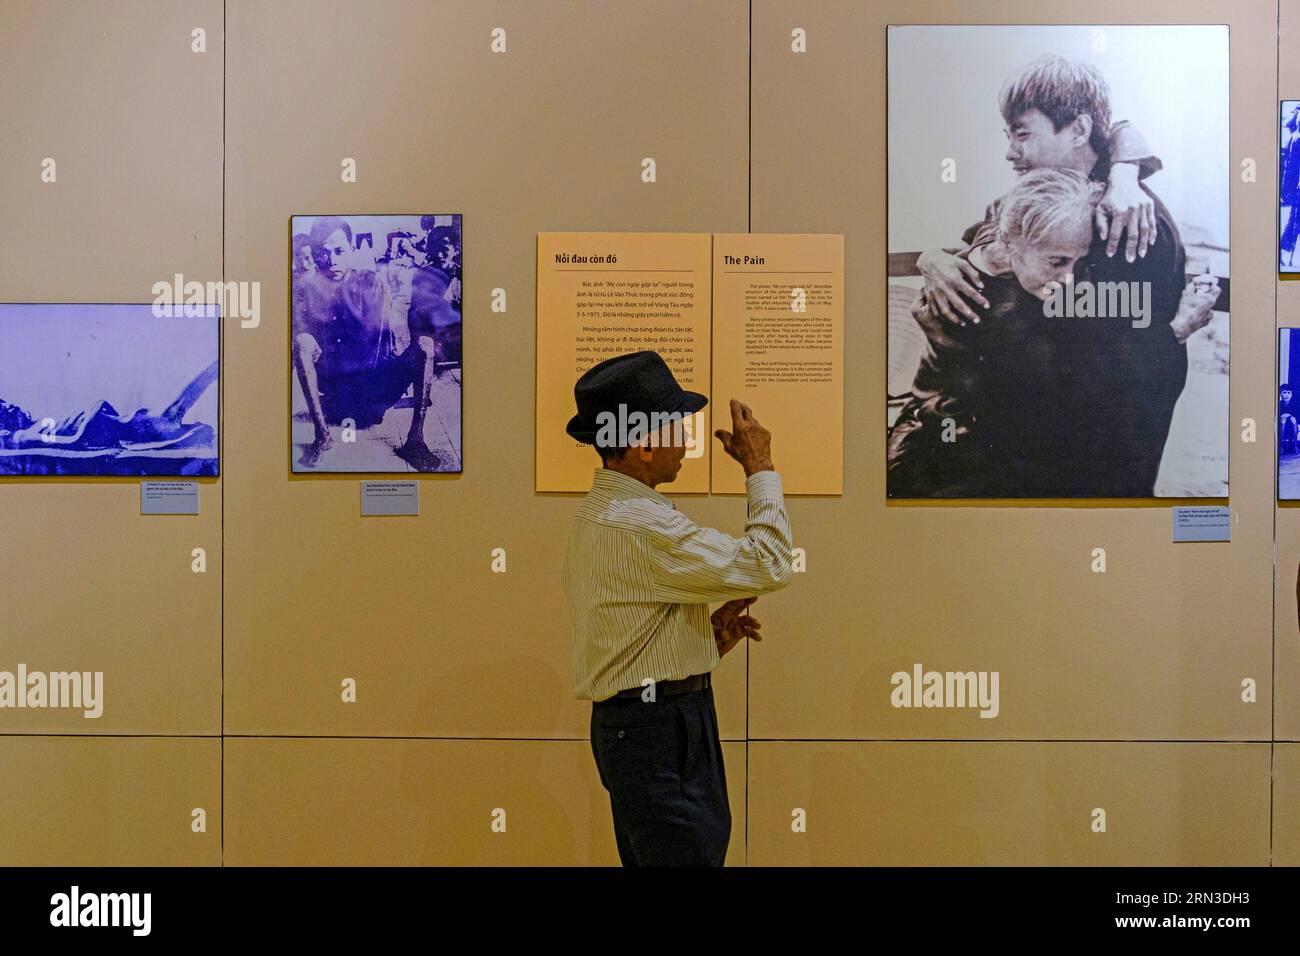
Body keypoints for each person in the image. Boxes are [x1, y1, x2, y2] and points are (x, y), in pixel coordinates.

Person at [910, 55, 1217, 496]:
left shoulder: (1125, 224)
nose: (1010, 151)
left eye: (1023, 134)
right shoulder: (1029, 202)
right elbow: (983, 247)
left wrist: (1174, 331)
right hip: (1013, 455)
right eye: (1008, 135)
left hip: (1080, 476)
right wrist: (933, 259)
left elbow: (1103, 371)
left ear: (1078, 130)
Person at [562, 350, 793, 866]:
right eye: (678, 426)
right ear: (644, 444)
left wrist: (698, 641)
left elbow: (624, 630)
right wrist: (760, 468)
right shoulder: (639, 521)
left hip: (648, 725)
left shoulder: (605, 514)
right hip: (660, 730)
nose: (688, 440)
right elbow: (772, 564)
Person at [889, 169, 1101, 496]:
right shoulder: (973, 306)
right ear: (1013, 242)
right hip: (949, 460)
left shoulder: (997, 244)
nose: (1070, 278)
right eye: (1057, 262)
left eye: (1077, 262)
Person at [292, 216, 444, 470]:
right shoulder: (308, 286)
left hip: (378, 385)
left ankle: (415, 440)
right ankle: (323, 436)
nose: (332, 260)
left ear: (351, 251)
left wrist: (336, 291)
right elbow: (304, 337)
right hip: (337, 389)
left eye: (339, 251)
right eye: (324, 253)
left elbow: (367, 336)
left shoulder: (369, 281)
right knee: (302, 342)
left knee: (425, 346)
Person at [0, 360, 217, 453]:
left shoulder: (33, 425)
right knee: (170, 414)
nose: (12, 407)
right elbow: (63, 443)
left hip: (102, 423)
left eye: (9, 405)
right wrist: (82, 438)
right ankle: (215, 365)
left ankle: (215, 365)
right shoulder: (19, 436)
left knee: (170, 416)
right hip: (97, 428)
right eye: (6, 409)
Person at [1281, 383, 1298, 457]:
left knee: (1293, 419)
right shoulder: (1279, 404)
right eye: (1284, 392)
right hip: (1282, 424)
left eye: (1289, 393)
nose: (1287, 395)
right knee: (1282, 420)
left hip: (1292, 424)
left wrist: (1290, 416)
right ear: (1281, 394)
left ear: (1291, 394)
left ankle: (1295, 445)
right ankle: (1281, 446)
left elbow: (1297, 415)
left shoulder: (1295, 404)